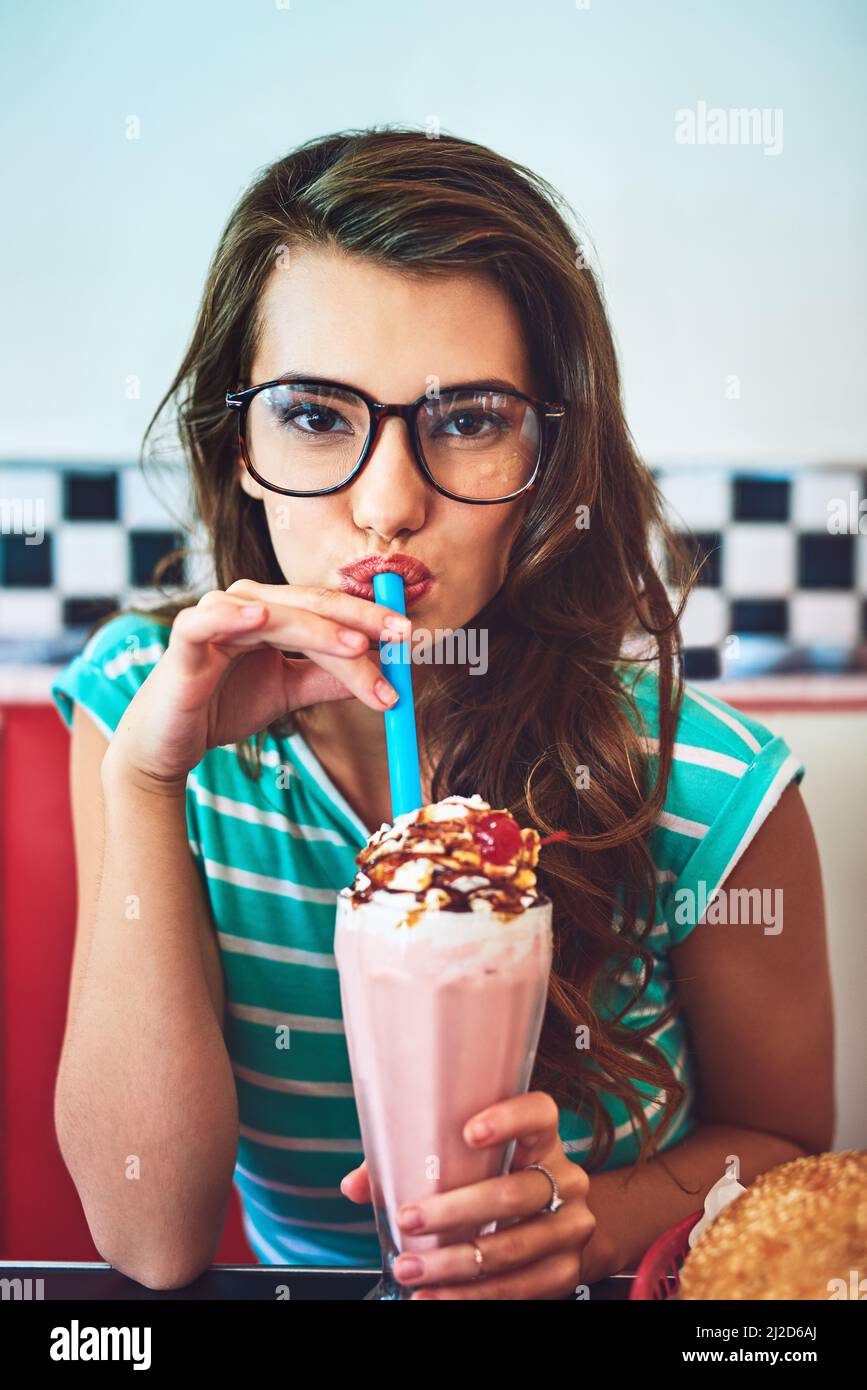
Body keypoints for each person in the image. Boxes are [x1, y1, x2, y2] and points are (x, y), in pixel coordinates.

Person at [51, 127, 834, 1299]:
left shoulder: (702, 783)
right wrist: (148, 781)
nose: (386, 504)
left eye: (467, 418)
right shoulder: (144, 713)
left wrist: (597, 1225)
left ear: (549, 451)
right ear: (243, 449)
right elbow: (150, 1237)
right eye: (316, 415)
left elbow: (790, 1157)